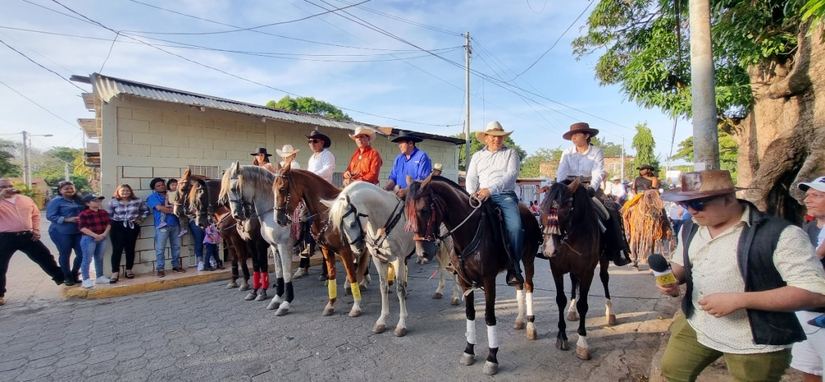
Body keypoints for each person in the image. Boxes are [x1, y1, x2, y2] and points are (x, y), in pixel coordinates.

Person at [657, 170, 825, 381]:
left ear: (728, 199)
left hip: (755, 339)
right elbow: (682, 261)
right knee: (672, 371)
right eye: (684, 204)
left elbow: (814, 293)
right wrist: (672, 278)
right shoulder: (690, 228)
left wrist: (740, 300)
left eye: (698, 204)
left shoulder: (781, 234)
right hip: (698, 324)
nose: (691, 211)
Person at [556, 122, 629, 266]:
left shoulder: (596, 152)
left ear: (587, 135)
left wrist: (592, 188)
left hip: (590, 186)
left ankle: (617, 249)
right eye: (572, 135)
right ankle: (547, 244)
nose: (574, 138)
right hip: (569, 186)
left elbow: (598, 172)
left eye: (577, 135)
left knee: (611, 211)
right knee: (550, 209)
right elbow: (561, 172)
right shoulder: (567, 152)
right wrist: (561, 189)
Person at [466, 121, 523, 286]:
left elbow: (511, 175)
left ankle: (514, 266)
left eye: (500, 137)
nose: (497, 140)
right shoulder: (477, 156)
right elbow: (471, 177)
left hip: (504, 195)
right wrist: (471, 193)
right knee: (461, 220)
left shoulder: (511, 153)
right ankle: (460, 260)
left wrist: (490, 189)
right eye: (493, 137)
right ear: (486, 138)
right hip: (479, 195)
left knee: (515, 227)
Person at [0, 178, 64, 304]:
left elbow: (35, 215)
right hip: (4, 237)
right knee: (1, 266)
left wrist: (36, 229)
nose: (8, 188)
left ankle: (63, 279)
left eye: (10, 185)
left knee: (45, 257)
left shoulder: (25, 199)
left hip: (27, 236)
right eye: (3, 186)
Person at [791, 176, 825, 381]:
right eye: (808, 195)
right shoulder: (810, 228)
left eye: (817, 195)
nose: (808, 199)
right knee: (809, 366)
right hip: (805, 309)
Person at [296, 130, 336, 278]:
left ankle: (325, 267)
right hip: (311, 194)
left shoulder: (328, 155)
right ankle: (306, 246)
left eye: (314, 141)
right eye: (309, 141)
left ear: (322, 142)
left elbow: (328, 171)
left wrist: (310, 177)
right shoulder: (312, 158)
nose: (311, 144)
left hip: (323, 193)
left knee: (322, 227)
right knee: (304, 220)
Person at [106, 184, 149, 282]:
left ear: (130, 191)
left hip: (132, 226)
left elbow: (145, 210)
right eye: (123, 191)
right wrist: (114, 223)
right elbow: (108, 215)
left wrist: (141, 219)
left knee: (130, 249)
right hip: (117, 227)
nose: (125, 192)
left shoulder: (137, 201)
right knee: (117, 249)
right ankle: (115, 272)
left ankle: (129, 269)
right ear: (118, 192)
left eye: (127, 191)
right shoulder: (113, 202)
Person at [46, 180, 84, 285]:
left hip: (78, 231)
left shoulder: (78, 200)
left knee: (81, 254)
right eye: (66, 189)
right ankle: (67, 276)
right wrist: (67, 219)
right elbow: (50, 216)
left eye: (71, 188)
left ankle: (75, 273)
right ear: (60, 190)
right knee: (65, 254)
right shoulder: (56, 201)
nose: (69, 190)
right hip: (60, 231)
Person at [146, 178, 184, 277]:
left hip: (175, 224)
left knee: (176, 247)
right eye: (158, 186)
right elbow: (160, 208)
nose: (161, 187)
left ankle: (176, 266)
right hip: (162, 225)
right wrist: (176, 210)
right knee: (160, 248)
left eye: (162, 185)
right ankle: (160, 268)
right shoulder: (152, 197)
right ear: (154, 188)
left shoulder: (172, 194)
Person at [77, 194, 111, 288]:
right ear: (88, 203)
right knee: (87, 259)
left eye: (99, 201)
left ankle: (100, 276)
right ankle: (86, 279)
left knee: (99, 258)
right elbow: (82, 228)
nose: (98, 202)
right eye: (95, 201)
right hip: (89, 238)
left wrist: (103, 234)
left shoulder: (103, 212)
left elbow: (108, 224)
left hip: (102, 237)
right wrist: (96, 235)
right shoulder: (83, 214)